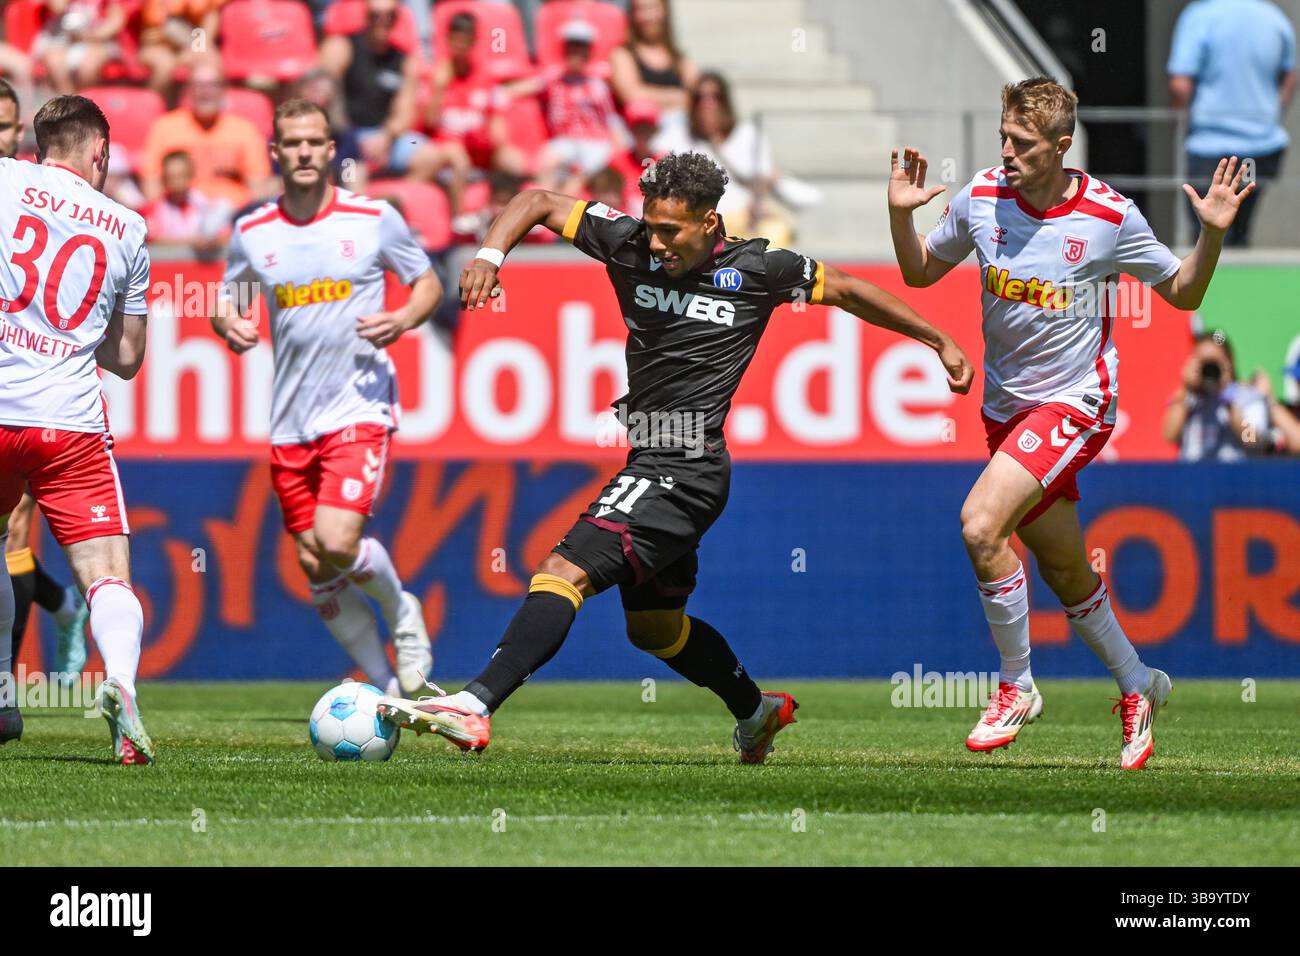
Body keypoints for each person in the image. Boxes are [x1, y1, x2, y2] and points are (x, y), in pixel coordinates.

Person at [377, 151, 973, 761]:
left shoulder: (760, 268)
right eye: (650, 225)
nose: (655, 242)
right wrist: (489, 254)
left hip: (686, 463)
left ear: (710, 223)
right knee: (655, 631)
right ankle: (755, 709)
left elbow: (847, 289)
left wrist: (939, 339)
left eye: (671, 231)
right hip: (657, 456)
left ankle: (474, 705)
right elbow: (535, 200)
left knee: (562, 571)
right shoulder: (625, 240)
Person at [889, 77, 1254, 769]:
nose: (1008, 152)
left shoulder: (1109, 215)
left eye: (1023, 144)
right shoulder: (983, 197)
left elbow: (1182, 293)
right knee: (1061, 565)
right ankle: (1138, 682)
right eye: (1004, 137)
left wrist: (1210, 234)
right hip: (1005, 409)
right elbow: (919, 274)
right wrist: (901, 217)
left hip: (1078, 400)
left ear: (1061, 146)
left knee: (979, 524)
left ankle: (1017, 684)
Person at [210, 99, 442, 700]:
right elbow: (226, 298)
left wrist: (403, 318)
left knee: (338, 541)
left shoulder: (373, 219)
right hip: (291, 421)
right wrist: (229, 324)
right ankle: (388, 687)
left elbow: (428, 284)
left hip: (359, 404)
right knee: (316, 565)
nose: (306, 152)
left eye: (315, 141)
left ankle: (404, 614)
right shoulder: (253, 232)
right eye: (293, 143)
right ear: (276, 152)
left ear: (331, 149)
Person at [0, 94, 154, 762]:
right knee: (107, 574)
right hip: (68, 425)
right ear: (100, 151)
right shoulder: (129, 227)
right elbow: (126, 359)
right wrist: (73, 328)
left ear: (39, 144)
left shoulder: (5, 181)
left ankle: (3, 693)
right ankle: (120, 685)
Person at [0, 79, 90, 692]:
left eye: (6, 129)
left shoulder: (36, 197)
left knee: (14, 532)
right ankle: (64, 605)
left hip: (32, 387)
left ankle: (5, 685)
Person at [1168, 0, 1296, 247]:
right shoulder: (1274, 18)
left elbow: (1180, 85)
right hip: (1262, 147)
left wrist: (1183, 119)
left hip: (1209, 149)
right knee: (1239, 230)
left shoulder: (1199, 16)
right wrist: (1270, 111)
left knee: (1206, 235)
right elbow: (1290, 75)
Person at [140, 53, 276, 210]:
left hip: (231, 213)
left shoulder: (244, 130)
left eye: (213, 85)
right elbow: (151, 186)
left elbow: (258, 188)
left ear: (224, 90)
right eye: (198, 85)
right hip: (181, 215)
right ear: (188, 90)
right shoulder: (164, 128)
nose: (206, 92)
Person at [1163, 331, 1272, 460]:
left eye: (1214, 363)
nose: (1209, 369)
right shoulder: (1187, 398)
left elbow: (1251, 440)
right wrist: (1186, 387)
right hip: (1192, 476)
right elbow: (1169, 436)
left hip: (1233, 477)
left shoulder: (1249, 397)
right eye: (1203, 363)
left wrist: (1226, 395)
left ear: (1229, 363)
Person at [609, 0, 697, 146]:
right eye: (640, 9)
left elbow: (694, 98)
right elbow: (632, 96)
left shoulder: (680, 58)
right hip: (640, 140)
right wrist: (677, 96)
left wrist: (649, 94)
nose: (646, 16)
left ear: (664, 10)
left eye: (651, 8)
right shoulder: (623, 54)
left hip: (681, 137)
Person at [141, 149, 232, 257]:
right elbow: (152, 239)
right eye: (172, 177)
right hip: (168, 269)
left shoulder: (206, 205)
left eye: (181, 175)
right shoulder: (154, 209)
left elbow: (226, 237)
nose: (177, 182)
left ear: (191, 175)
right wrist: (191, 242)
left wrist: (212, 242)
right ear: (164, 178)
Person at [34, 0, 124, 94]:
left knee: (88, 67)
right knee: (54, 61)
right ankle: (67, 99)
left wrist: (94, 35)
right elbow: (57, 8)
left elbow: (116, 20)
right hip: (62, 41)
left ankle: (84, 99)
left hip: (97, 41)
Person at [137, 0, 226, 95]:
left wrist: (200, 46)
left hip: (189, 44)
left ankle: (207, 106)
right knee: (164, 65)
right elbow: (155, 31)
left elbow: (210, 16)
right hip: (158, 47)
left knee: (211, 60)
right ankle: (150, 104)